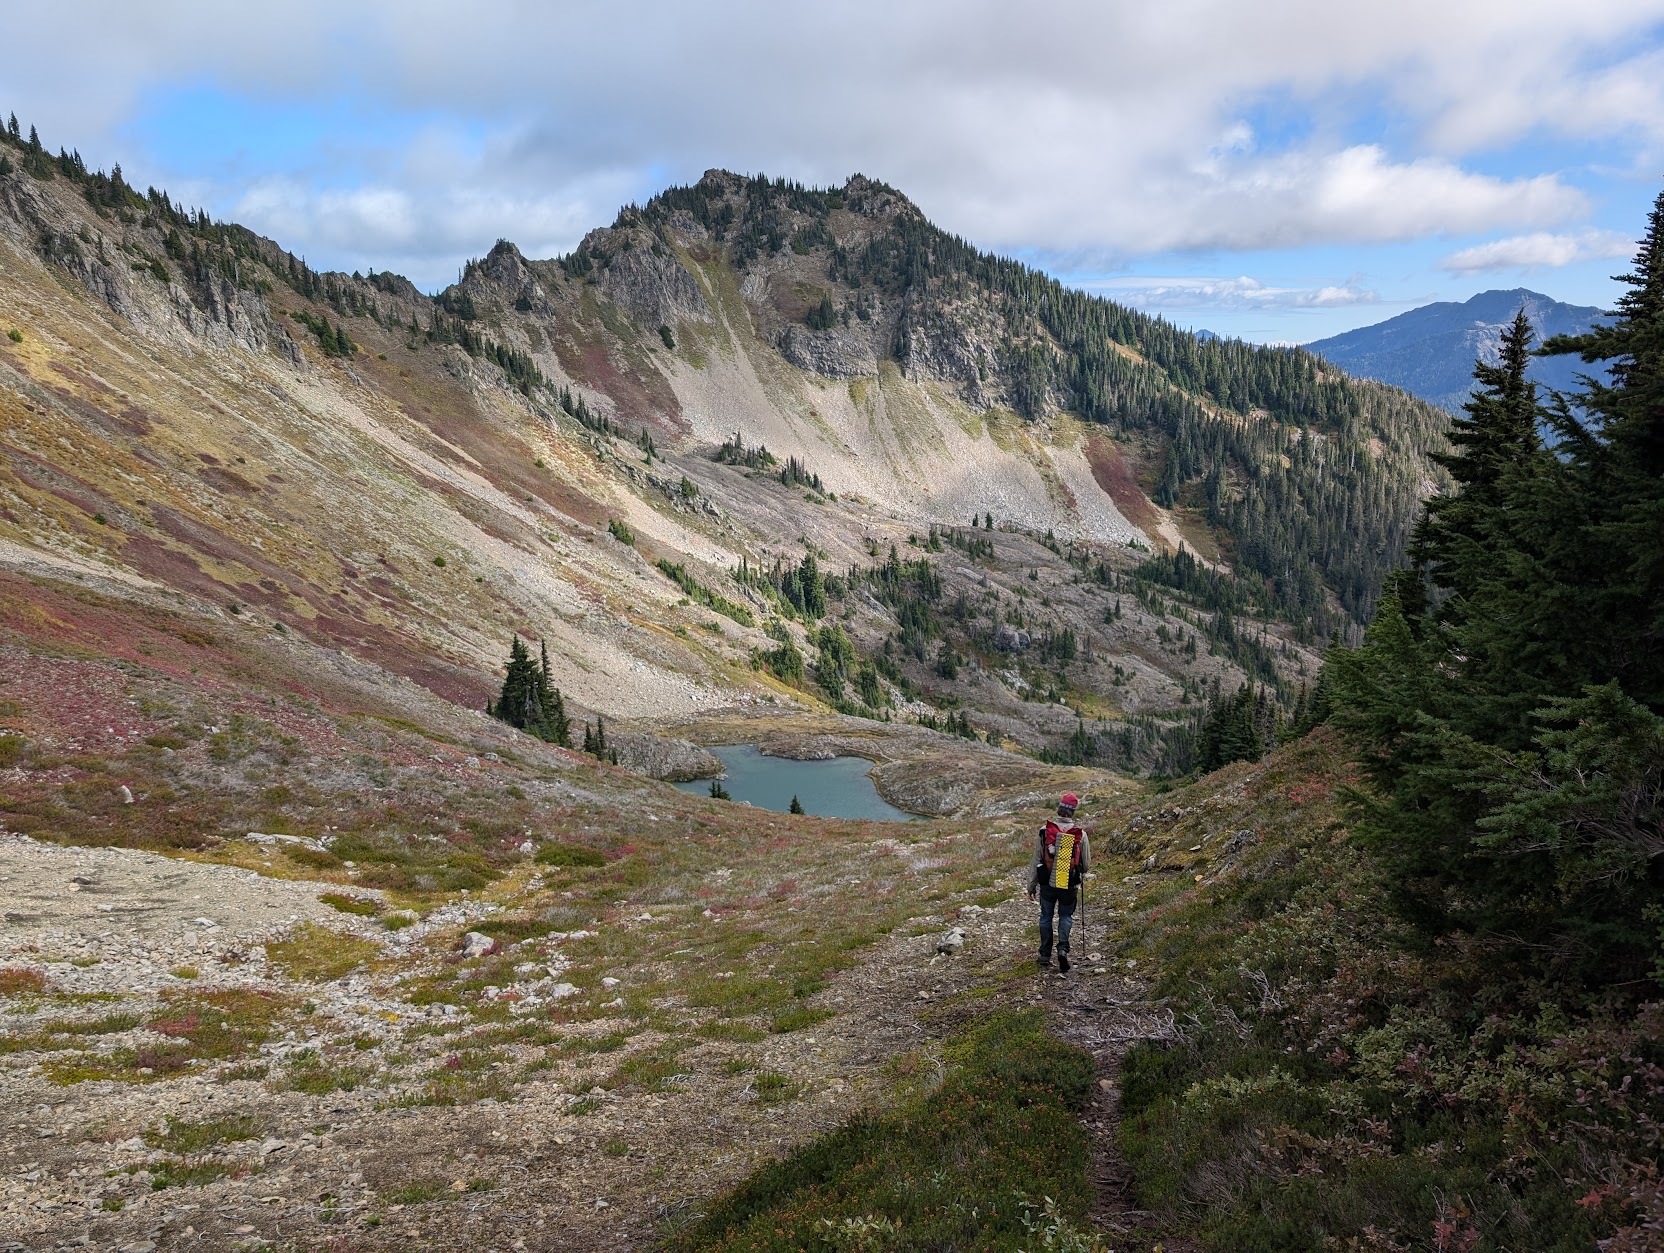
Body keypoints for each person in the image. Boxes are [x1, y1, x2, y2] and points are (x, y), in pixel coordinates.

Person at [1027, 792, 1089, 972]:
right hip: (1069, 883)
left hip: (1047, 882)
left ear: (1059, 809)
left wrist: (1031, 885)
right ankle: (1062, 949)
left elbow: (1036, 859)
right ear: (1073, 812)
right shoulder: (1080, 834)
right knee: (1065, 916)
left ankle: (1045, 955)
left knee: (1046, 916)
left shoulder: (1044, 831)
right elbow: (1086, 865)